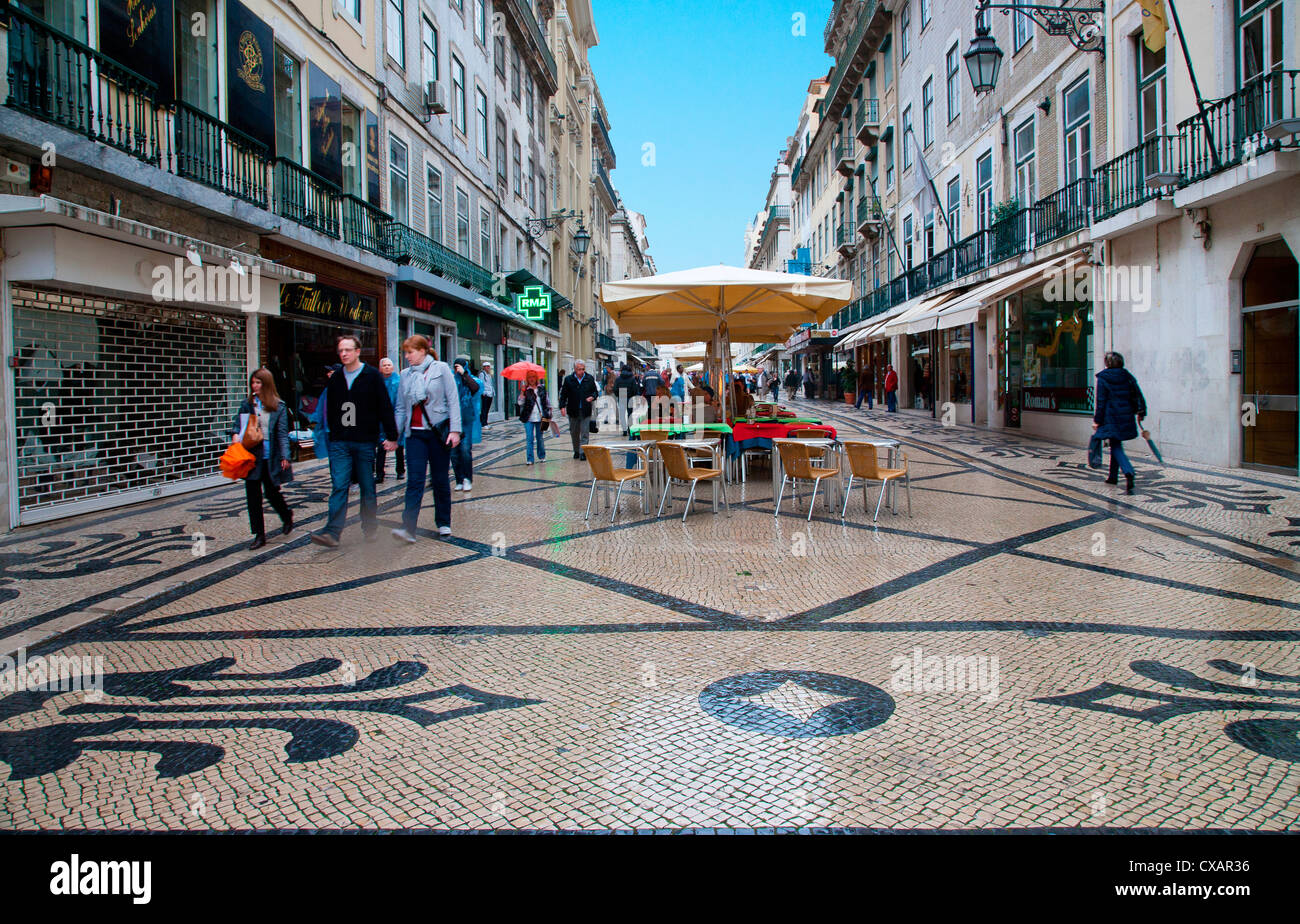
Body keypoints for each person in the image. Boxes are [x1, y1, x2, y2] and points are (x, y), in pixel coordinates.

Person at [310, 336, 398, 548]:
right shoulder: (337, 377)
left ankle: (370, 527)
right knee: (339, 485)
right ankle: (332, 532)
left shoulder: (372, 376)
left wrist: (392, 435)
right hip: (340, 441)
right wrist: (332, 434)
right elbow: (330, 407)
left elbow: (384, 406)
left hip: (365, 441)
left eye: (349, 350)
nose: (344, 354)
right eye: (341, 350)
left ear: (358, 351)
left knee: (368, 487)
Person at [391, 336, 461, 542]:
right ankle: (408, 528)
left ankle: (444, 523)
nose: (407, 357)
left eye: (410, 352)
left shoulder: (441, 369)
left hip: (437, 432)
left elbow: (453, 400)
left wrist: (455, 430)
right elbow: (401, 407)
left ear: (423, 351)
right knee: (415, 480)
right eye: (405, 352)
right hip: (414, 434)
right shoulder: (405, 375)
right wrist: (394, 434)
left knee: (439, 479)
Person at [234, 369, 294, 550]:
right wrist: (236, 435)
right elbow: (237, 425)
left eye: (258, 383)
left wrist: (285, 456)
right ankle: (259, 535)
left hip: (271, 456)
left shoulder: (278, 406)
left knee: (271, 492)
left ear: (266, 384)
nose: (255, 386)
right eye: (253, 383)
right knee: (253, 496)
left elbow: (282, 434)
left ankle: (286, 515)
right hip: (252, 456)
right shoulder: (247, 404)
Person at [1093, 351, 1147, 496]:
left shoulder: (1103, 378)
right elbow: (1138, 394)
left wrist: (1097, 420)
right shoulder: (1127, 376)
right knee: (1116, 443)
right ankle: (1112, 476)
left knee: (1116, 446)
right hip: (1126, 416)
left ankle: (1128, 471)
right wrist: (1141, 412)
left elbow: (1101, 402)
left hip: (1111, 416)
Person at [451, 357, 481, 492]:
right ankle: (458, 479)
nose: (457, 369)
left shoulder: (470, 379)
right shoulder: (451, 379)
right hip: (451, 420)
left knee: (465, 450)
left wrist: (464, 374)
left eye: (460, 366)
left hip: (466, 419)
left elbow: (475, 388)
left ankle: (467, 478)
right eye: (455, 366)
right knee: (454, 453)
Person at [560, 360, 599, 459]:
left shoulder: (589, 378)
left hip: (585, 410)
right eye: (579, 369)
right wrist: (562, 406)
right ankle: (576, 450)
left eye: (583, 369)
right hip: (573, 410)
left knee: (585, 432)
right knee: (574, 432)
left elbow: (595, 392)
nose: (581, 371)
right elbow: (563, 395)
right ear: (575, 369)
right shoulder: (568, 379)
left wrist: (592, 397)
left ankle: (583, 452)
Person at [375, 357, 404, 483]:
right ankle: (379, 473)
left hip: (395, 417)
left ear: (393, 367)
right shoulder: (377, 381)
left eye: (389, 365)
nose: (387, 367)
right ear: (380, 368)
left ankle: (400, 470)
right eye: (384, 365)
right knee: (381, 446)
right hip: (381, 419)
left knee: (398, 445)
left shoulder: (398, 382)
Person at [517, 369, 551, 464]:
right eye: (529, 377)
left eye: (533, 376)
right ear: (527, 379)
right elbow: (520, 403)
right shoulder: (526, 389)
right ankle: (530, 459)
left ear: (536, 378)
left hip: (541, 417)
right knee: (529, 438)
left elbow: (547, 401)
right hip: (528, 417)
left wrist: (549, 412)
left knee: (540, 438)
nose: (531, 379)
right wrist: (522, 392)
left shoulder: (542, 388)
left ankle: (542, 456)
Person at [308, 364, 338, 461]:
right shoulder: (327, 390)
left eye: (331, 372)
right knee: (333, 459)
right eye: (328, 372)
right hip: (328, 430)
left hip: (339, 432)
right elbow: (320, 409)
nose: (328, 374)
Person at [613, 363, 639, 434]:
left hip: (621, 397)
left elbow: (615, 389)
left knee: (622, 414)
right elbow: (635, 389)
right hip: (630, 398)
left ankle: (624, 430)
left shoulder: (618, 379)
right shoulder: (632, 379)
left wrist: (618, 394)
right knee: (630, 414)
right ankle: (630, 429)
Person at [477, 360, 495, 428]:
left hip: (490, 393)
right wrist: (483, 392)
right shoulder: (482, 374)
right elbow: (481, 384)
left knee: (487, 409)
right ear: (484, 367)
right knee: (484, 409)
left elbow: (490, 384)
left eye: (489, 366)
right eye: (486, 367)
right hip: (486, 394)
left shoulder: (489, 375)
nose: (488, 368)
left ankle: (485, 422)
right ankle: (483, 423)